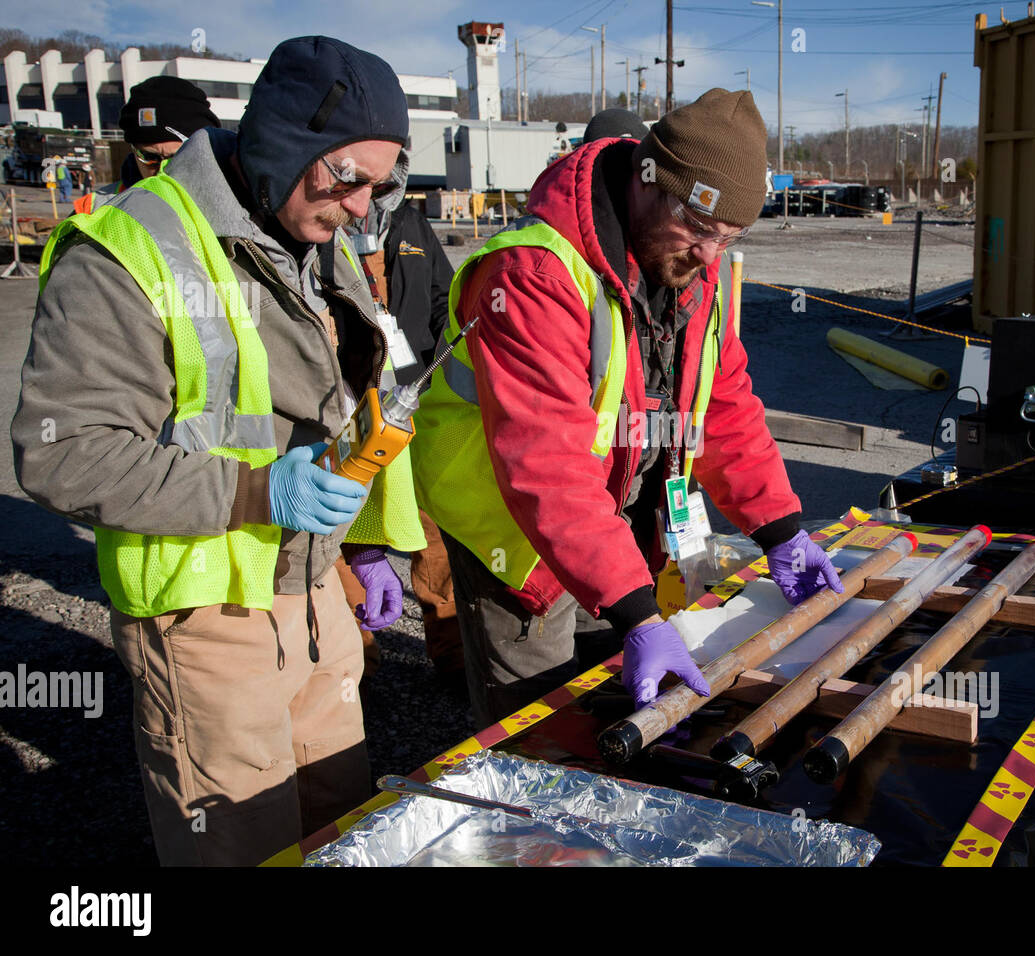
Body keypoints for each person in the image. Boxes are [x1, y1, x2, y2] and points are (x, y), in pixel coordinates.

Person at [12, 35, 425, 866]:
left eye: (380, 186)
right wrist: (258, 493)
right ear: (284, 147)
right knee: (240, 845)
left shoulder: (314, 230)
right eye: (346, 176)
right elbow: (63, 453)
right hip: (206, 622)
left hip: (316, 600)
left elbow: (341, 405)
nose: (359, 205)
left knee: (342, 832)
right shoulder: (132, 249)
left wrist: (374, 540)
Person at [411, 88, 843, 727]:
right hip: (519, 540)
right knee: (538, 730)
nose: (708, 257)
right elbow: (547, 465)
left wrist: (779, 529)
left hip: (613, 527)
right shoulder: (532, 274)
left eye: (728, 239)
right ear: (650, 182)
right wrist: (637, 611)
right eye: (698, 229)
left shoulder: (690, 270)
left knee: (615, 709)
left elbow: (723, 407)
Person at [343, 192, 461, 674]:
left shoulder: (410, 222)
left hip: (416, 397)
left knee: (433, 531)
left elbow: (442, 299)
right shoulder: (324, 218)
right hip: (350, 399)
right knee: (348, 525)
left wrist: (444, 363)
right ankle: (357, 660)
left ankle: (452, 654)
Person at [73, 76, 219, 215]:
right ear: (133, 150)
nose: (163, 169)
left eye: (177, 157)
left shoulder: (231, 200)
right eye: (149, 157)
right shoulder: (93, 210)